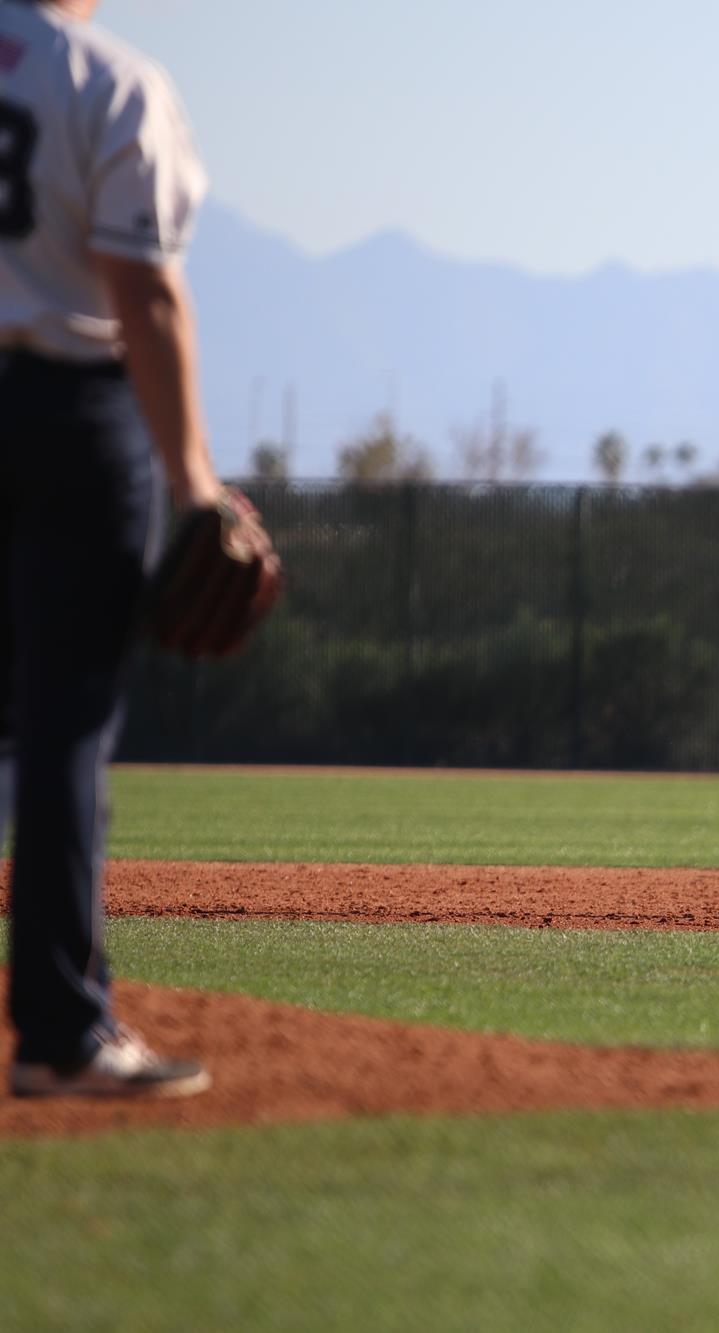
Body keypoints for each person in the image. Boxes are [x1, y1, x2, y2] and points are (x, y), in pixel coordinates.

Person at [2, 0, 221, 1096]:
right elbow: (143, 291)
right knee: (64, 727)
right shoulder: (108, 80)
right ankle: (59, 1030)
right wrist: (196, 482)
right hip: (68, 415)